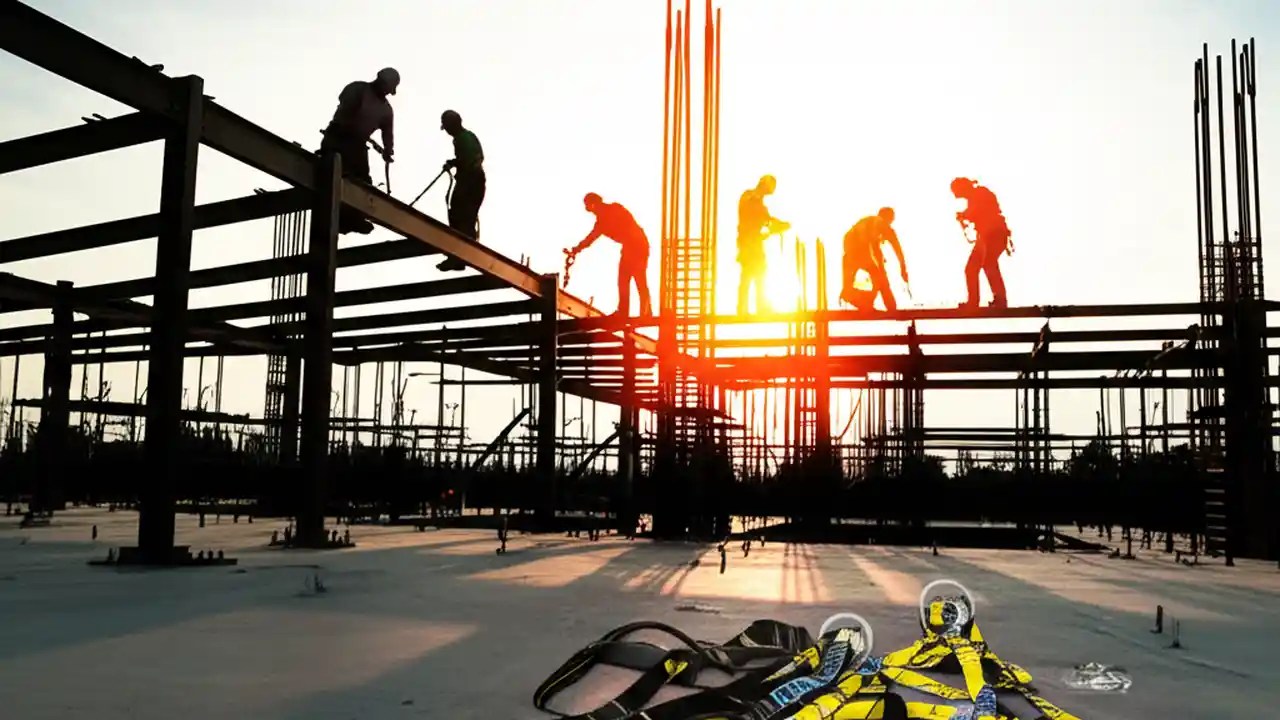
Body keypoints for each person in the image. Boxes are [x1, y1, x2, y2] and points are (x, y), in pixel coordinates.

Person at [320, 67, 399, 234]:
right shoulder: (358, 89)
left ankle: (352, 219)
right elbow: (345, 108)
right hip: (338, 137)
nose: (387, 93)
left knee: (362, 183)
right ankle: (338, 216)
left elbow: (387, 132)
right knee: (335, 174)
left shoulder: (386, 110)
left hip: (357, 144)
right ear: (381, 82)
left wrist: (388, 150)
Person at [565, 193, 654, 317]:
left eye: (590, 207)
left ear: (594, 204)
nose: (592, 212)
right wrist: (576, 249)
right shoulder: (602, 222)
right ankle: (626, 312)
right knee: (624, 280)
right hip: (630, 246)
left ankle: (644, 311)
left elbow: (629, 227)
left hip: (638, 245)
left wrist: (577, 249)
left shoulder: (614, 210)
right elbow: (590, 238)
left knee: (638, 278)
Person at [437, 110, 486, 271]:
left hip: (470, 181)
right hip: (476, 181)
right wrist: (455, 162)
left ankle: (458, 256)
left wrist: (455, 163)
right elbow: (475, 158)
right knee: (466, 218)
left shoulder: (461, 139)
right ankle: (462, 256)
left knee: (459, 216)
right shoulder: (469, 136)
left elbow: (468, 161)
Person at [952, 177, 1011, 309]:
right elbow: (975, 211)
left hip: (994, 235)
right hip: (985, 237)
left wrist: (964, 215)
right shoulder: (976, 195)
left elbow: (978, 211)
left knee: (989, 264)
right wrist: (965, 215)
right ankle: (973, 302)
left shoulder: (980, 194)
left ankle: (1000, 300)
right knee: (971, 269)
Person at [737, 174, 790, 315]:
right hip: (748, 242)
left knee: (757, 271)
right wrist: (774, 225)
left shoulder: (758, 202)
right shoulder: (749, 197)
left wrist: (778, 225)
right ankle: (745, 307)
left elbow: (766, 220)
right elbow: (759, 217)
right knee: (751, 272)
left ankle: (755, 306)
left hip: (753, 241)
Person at [840, 207, 908, 312]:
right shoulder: (880, 224)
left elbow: (878, 248)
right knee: (879, 276)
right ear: (888, 219)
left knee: (850, 290)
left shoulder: (870, 223)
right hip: (857, 248)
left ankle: (863, 300)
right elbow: (897, 250)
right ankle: (885, 304)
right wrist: (903, 269)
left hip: (848, 251)